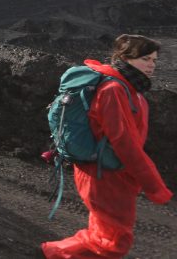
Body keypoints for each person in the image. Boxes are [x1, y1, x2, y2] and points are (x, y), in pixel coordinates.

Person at [41, 35, 171, 259]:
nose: (151, 65)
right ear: (124, 58)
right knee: (114, 240)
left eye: (154, 60)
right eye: (145, 59)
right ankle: (53, 253)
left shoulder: (131, 89)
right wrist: (153, 185)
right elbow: (124, 142)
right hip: (102, 174)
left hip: (112, 172)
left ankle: (52, 253)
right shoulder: (114, 90)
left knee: (103, 234)